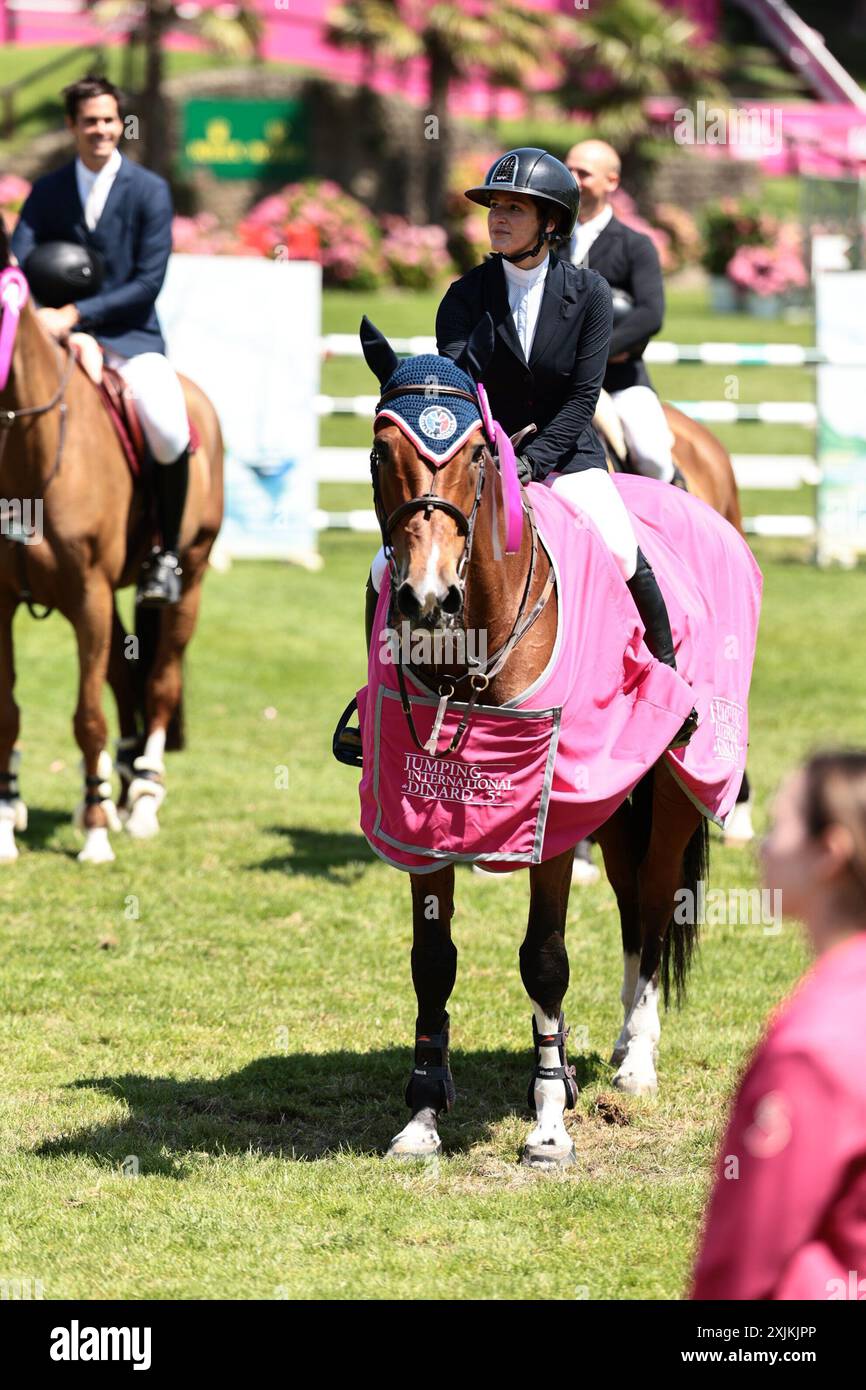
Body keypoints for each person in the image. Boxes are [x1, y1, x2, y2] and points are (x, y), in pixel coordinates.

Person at [691, 751, 866, 1300]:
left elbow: (744, 1263)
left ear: (829, 854)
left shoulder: (811, 1048)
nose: (763, 846)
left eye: (780, 825)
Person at [11, 73, 189, 606]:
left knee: (168, 425)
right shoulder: (47, 193)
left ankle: (165, 555)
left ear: (120, 124)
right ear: (71, 126)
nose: (100, 130)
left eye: (109, 120)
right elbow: (17, 268)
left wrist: (76, 316)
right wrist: (50, 323)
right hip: (53, 339)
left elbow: (147, 281)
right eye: (89, 121)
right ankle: (12, 536)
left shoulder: (150, 191)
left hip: (130, 337)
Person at [564, 139, 684, 488]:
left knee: (652, 457)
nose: (573, 179)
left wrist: (589, 355)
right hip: (555, 381)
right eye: (568, 169)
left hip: (619, 382)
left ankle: (674, 514)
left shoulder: (635, 246)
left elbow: (650, 315)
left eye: (583, 173)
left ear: (611, 182)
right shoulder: (548, 241)